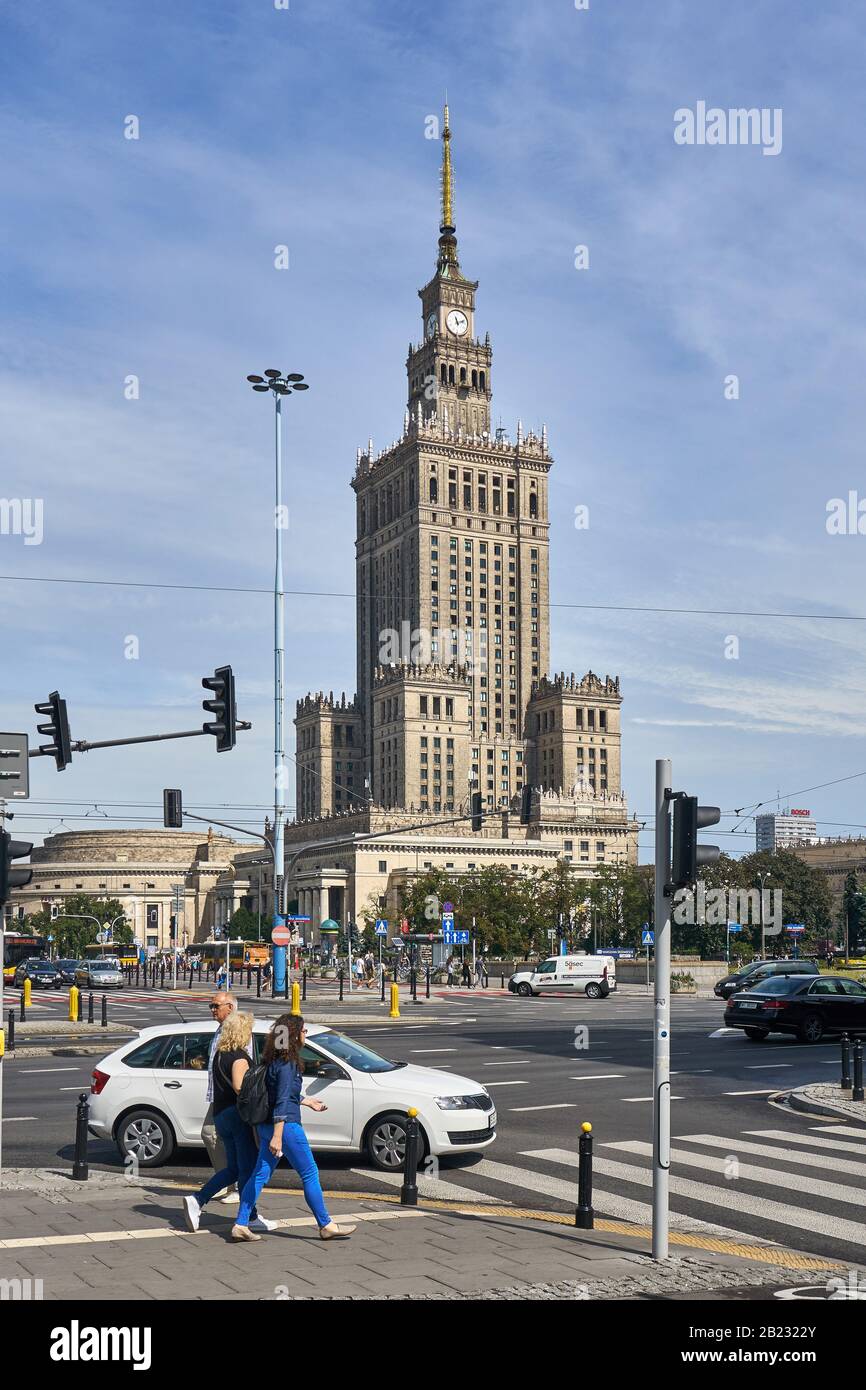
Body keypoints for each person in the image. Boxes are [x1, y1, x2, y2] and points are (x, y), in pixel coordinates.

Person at [232, 1015, 355, 1242]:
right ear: (294, 1035)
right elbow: (281, 1101)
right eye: (303, 1030)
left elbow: (279, 1093)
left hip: (267, 1125)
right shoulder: (289, 1065)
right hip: (285, 1126)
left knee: (260, 1175)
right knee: (309, 1172)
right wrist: (278, 1136)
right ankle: (326, 1224)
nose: (305, 1034)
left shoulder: (273, 1062)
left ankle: (241, 1223)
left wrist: (306, 1101)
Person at [182, 1012, 274, 1235]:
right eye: (249, 1030)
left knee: (234, 1168)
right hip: (237, 1117)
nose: (251, 1034)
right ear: (242, 1032)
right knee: (248, 1169)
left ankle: (199, 1200)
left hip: (221, 1114)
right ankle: (247, 1217)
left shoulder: (220, 1054)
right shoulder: (239, 1057)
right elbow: (240, 1087)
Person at [202, 991, 245, 1205]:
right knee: (210, 1134)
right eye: (212, 1006)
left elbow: (242, 1064)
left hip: (231, 1097)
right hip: (218, 1095)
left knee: (231, 1141)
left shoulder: (237, 1032)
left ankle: (234, 1186)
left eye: (215, 1006)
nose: (212, 1010)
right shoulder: (220, 1030)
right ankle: (226, 1182)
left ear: (230, 1007)